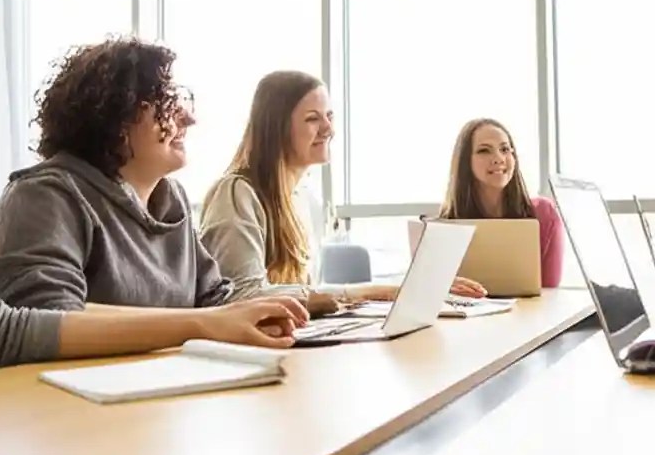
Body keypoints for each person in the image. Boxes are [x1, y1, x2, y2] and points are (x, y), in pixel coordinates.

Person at [0, 0, 308, 390]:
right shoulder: (44, 195)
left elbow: (0, 330)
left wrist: (324, 299)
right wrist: (202, 324)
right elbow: (32, 322)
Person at [0, 38, 335, 316]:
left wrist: (298, 309)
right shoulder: (45, 196)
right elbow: (48, 318)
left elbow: (217, 300)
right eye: (167, 103)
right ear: (117, 116)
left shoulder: (171, 201)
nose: (188, 118)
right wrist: (202, 324)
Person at [200, 71, 485, 302]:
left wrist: (401, 288)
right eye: (313, 119)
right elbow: (243, 296)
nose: (328, 129)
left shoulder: (305, 199)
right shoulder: (237, 194)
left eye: (330, 116)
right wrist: (371, 292)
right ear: (277, 128)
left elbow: (310, 292)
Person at [437, 118, 563, 288]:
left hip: (532, 306)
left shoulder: (544, 214)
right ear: (465, 162)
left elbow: (550, 289)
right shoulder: (446, 224)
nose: (498, 158)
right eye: (484, 151)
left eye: (505, 149)